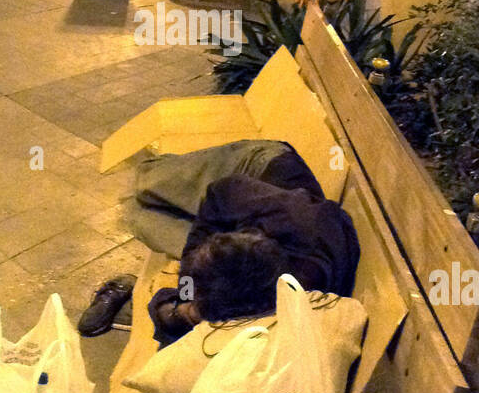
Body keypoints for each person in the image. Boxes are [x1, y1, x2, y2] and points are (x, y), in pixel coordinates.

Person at [79, 141, 360, 338]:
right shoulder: (293, 215)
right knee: (146, 182)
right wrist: (188, 286)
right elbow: (220, 193)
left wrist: (184, 312)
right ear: (251, 234)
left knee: (136, 214)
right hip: (260, 165)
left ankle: (184, 216)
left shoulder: (285, 301)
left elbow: (189, 315)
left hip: (258, 224)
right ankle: (169, 173)